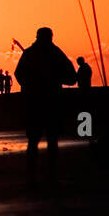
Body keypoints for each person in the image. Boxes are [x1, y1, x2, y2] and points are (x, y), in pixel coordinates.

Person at [14, 26, 77, 184]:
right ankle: (51, 173)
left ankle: (32, 174)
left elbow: (19, 74)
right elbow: (71, 77)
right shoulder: (56, 53)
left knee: (34, 139)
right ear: (50, 37)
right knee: (52, 138)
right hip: (51, 101)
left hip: (33, 102)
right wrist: (55, 80)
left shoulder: (29, 53)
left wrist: (28, 87)